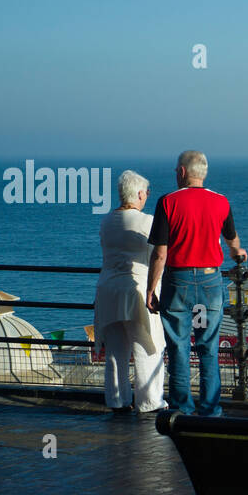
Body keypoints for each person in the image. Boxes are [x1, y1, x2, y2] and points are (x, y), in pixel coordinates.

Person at [145, 150, 247, 417]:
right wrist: (238, 254)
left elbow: (160, 253)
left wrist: (150, 289)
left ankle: (182, 410)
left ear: (181, 172)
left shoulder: (167, 202)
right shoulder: (221, 202)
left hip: (178, 281)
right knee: (208, 346)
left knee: (179, 346)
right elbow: (233, 242)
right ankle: (211, 409)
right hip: (210, 282)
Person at [93, 170, 167, 415]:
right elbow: (160, 253)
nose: (147, 196)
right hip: (137, 289)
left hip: (108, 290)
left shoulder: (105, 222)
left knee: (115, 350)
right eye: (146, 192)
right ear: (138, 194)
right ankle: (149, 401)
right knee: (148, 346)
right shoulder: (147, 221)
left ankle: (117, 400)